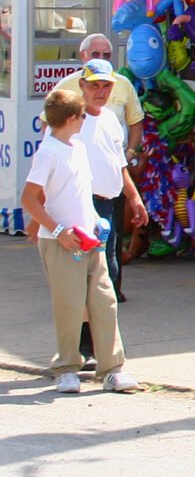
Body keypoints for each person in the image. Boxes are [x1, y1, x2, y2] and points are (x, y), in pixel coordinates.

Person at [20, 87, 139, 394]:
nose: (87, 118)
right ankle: (66, 368)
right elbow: (30, 197)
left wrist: (95, 223)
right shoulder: (47, 152)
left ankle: (111, 368)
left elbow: (77, 192)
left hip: (89, 240)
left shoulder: (77, 148)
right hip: (61, 243)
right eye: (83, 114)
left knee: (104, 302)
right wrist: (56, 230)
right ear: (72, 119)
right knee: (70, 306)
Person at [71, 60, 150, 365]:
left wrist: (135, 199)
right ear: (82, 86)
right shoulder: (72, 121)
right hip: (80, 205)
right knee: (85, 279)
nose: (100, 92)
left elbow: (119, 165)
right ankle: (84, 347)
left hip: (107, 205)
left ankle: (102, 347)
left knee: (109, 276)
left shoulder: (109, 120)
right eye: (94, 85)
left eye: (106, 86)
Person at [52, 33, 146, 157]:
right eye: (95, 54)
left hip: (116, 158)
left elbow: (136, 121)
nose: (101, 58)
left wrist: (130, 153)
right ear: (83, 55)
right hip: (76, 159)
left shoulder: (122, 84)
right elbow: (47, 122)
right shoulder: (66, 85)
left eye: (106, 55)